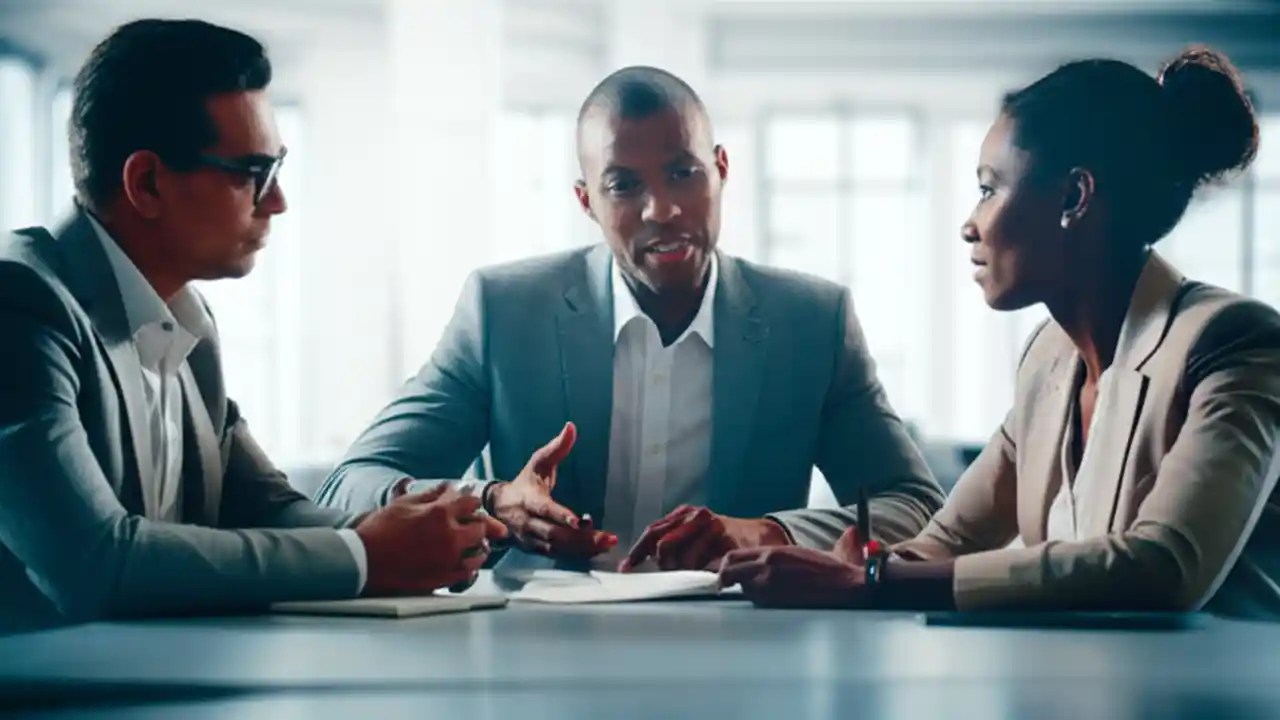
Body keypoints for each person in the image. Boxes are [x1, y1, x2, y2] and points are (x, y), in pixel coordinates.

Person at [315, 66, 945, 574]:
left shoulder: (811, 322)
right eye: (623, 185)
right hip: (535, 652)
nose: (662, 210)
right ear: (586, 201)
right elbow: (350, 486)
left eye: (683, 173)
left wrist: (769, 530)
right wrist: (491, 501)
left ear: (721, 170)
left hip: (745, 648)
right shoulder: (504, 311)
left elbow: (917, 507)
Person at [720, 46, 1280, 617]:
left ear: (1073, 198)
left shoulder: (1232, 343)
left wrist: (871, 580)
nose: (969, 224)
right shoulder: (1048, 360)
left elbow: (1164, 566)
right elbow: (947, 542)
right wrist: (850, 566)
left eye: (989, 189)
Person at [0, 19, 504, 633]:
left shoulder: (187, 323)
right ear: (147, 182)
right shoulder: (21, 306)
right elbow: (95, 562)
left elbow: (268, 508)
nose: (278, 200)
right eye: (251, 172)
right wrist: (368, 555)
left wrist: (442, 531)